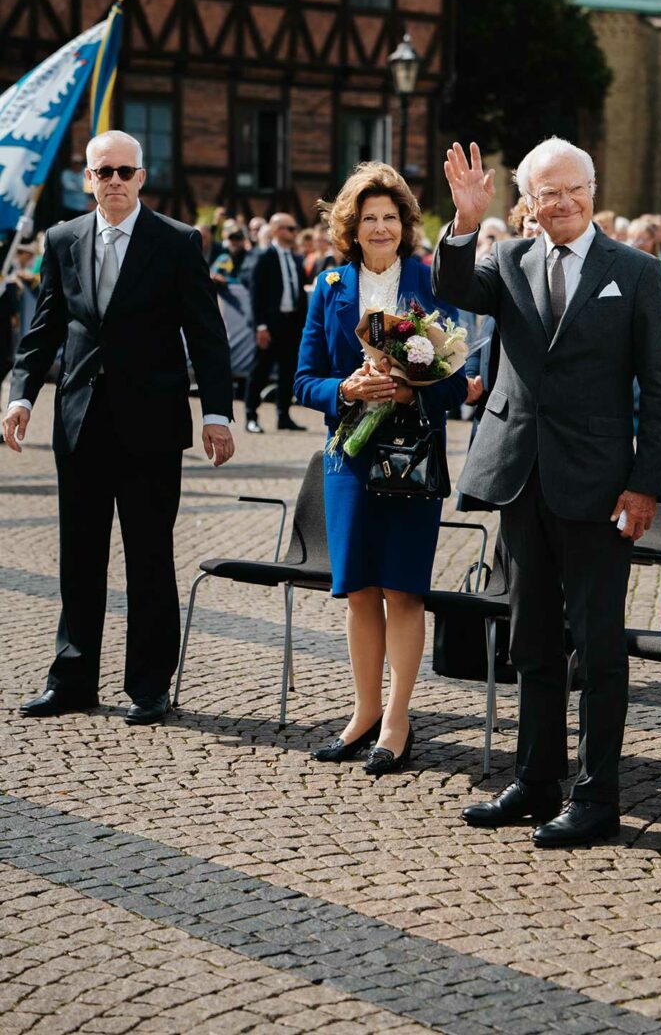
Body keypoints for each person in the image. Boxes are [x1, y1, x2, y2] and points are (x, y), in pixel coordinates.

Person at [434, 138, 661, 847]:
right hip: (518, 475)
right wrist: (463, 220)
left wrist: (645, 485)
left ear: (592, 190)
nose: (562, 203)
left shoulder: (635, 271)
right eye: (548, 192)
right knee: (531, 641)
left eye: (573, 189)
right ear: (529, 201)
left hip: (600, 486)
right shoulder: (505, 260)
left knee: (597, 649)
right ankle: (535, 780)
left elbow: (658, 393)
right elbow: (452, 289)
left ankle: (597, 797)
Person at [2, 130, 234, 725]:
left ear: (141, 178)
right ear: (87, 178)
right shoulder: (62, 239)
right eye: (103, 172)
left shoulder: (177, 241)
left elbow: (205, 335)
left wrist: (215, 413)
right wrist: (22, 396)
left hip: (152, 426)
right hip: (79, 422)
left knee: (149, 557)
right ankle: (72, 678)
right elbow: (43, 331)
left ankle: (150, 685)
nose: (113, 182)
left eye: (124, 172)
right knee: (79, 557)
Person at [294, 162, 466, 775]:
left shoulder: (430, 281)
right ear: (352, 226)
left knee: (403, 588)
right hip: (348, 454)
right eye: (369, 218)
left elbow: (457, 384)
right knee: (359, 590)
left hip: (413, 456)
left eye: (390, 217)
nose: (380, 227)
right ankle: (363, 712)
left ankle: (397, 720)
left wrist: (407, 392)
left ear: (405, 225)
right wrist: (346, 389)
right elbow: (302, 379)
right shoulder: (329, 285)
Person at [244, 213, 306, 433]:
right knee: (260, 370)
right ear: (277, 230)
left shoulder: (295, 258)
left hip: (291, 323)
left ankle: (283, 415)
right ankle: (251, 415)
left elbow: (298, 292)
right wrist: (260, 326)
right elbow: (255, 295)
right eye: (290, 228)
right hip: (270, 324)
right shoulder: (264, 256)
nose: (294, 232)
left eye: (295, 228)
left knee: (288, 371)